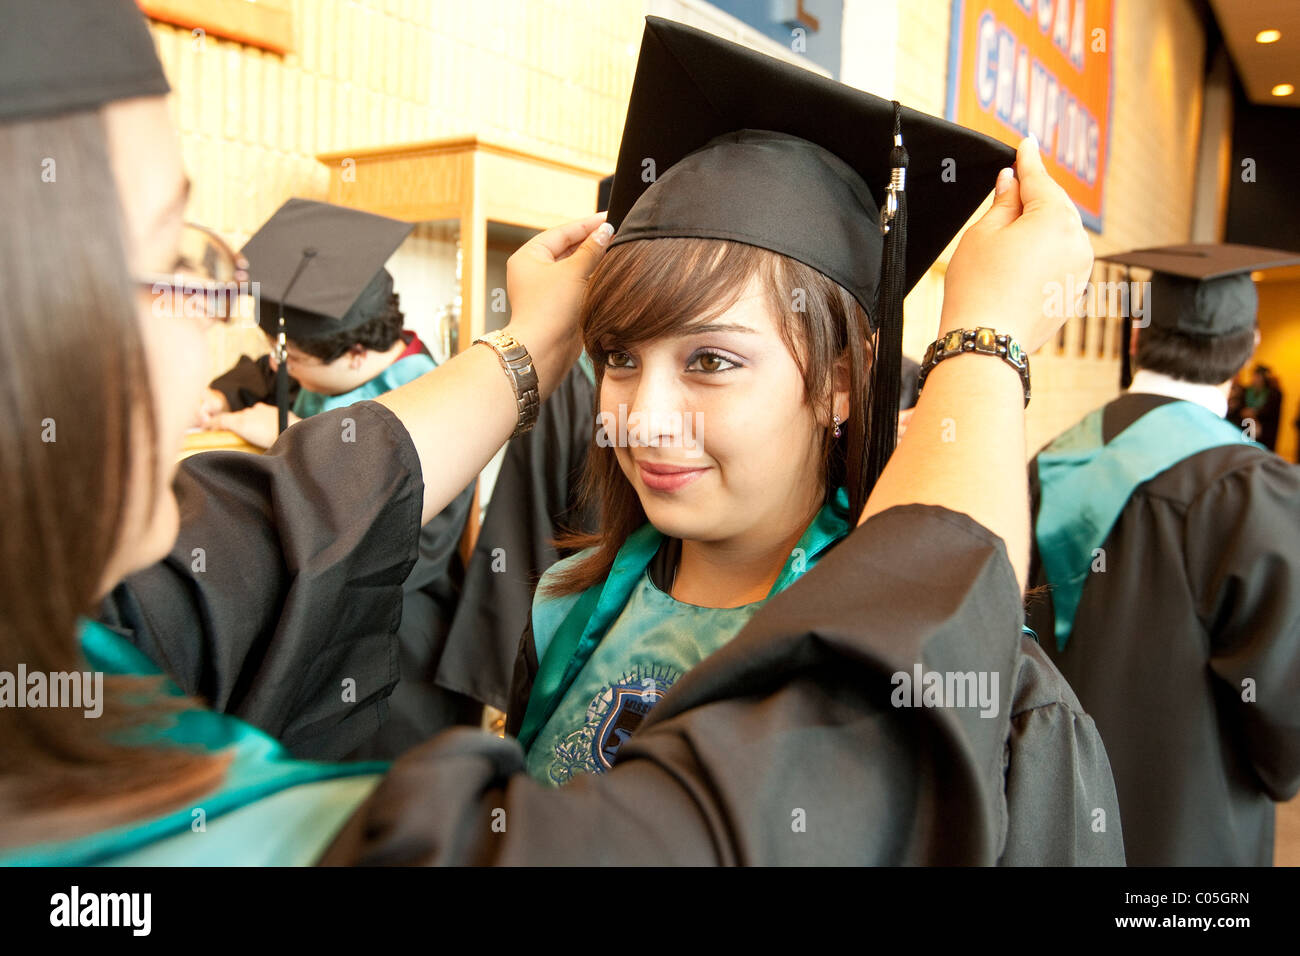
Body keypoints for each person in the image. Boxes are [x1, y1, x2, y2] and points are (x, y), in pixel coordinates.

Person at [2, 3, 1100, 865]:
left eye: (711, 358)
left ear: (844, 384)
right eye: (619, 355)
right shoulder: (575, 597)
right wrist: (985, 348)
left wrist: (535, 343)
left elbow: (278, 526)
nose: (637, 415)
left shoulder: (1006, 707)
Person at [1027, 242, 1300, 865]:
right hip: (1190, 841)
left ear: (1133, 338)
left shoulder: (1047, 463)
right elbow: (1282, 710)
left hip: (1051, 824)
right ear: (1247, 347)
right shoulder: (1256, 492)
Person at [1241, 363, 1283, 451]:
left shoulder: (1273, 394)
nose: (1255, 379)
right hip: (1246, 427)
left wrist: (1255, 413)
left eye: (1258, 376)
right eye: (1254, 376)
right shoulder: (1246, 391)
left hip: (1265, 433)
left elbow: (1271, 412)